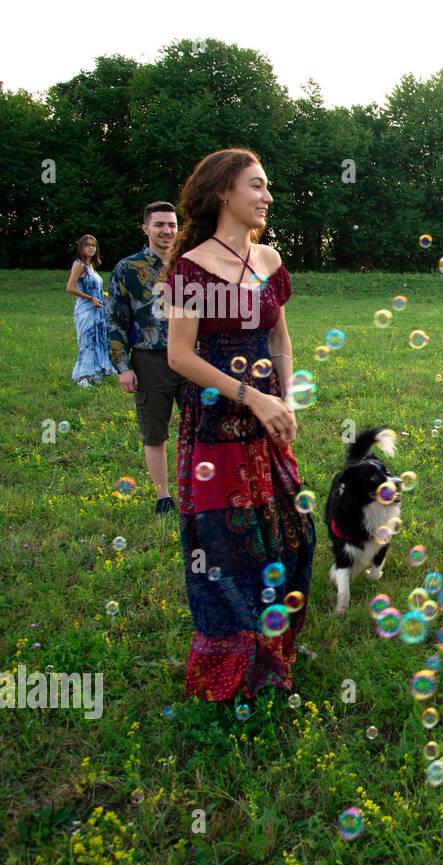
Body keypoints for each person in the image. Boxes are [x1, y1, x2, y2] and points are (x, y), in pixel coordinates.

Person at [160, 148, 314, 703]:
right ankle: (239, 662)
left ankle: (278, 638)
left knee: (290, 534)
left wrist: (286, 401)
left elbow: (280, 339)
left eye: (267, 186)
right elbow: (180, 354)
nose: (267, 196)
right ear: (224, 191)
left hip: (267, 415)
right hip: (218, 419)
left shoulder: (269, 260)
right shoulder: (192, 267)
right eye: (257, 186)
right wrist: (251, 397)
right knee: (229, 544)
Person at [106, 202, 186, 515]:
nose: (167, 231)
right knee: (155, 431)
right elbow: (115, 321)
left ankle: (197, 490)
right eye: (159, 225)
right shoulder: (128, 268)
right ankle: (163, 497)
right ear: (145, 228)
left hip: (191, 359)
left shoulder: (189, 264)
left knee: (198, 429)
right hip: (150, 360)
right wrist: (123, 367)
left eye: (172, 224)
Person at [67, 235, 114, 386]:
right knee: (86, 342)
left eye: (93, 245)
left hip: (98, 311)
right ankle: (82, 377)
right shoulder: (79, 265)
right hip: (86, 310)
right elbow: (70, 288)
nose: (91, 248)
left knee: (98, 341)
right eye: (87, 245)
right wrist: (90, 298)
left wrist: (103, 295)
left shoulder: (91, 266)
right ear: (81, 247)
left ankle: (94, 374)